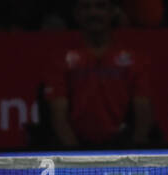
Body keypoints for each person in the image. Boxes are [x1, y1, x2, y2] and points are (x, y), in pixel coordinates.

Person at [43, 0, 153, 148]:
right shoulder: (60, 59)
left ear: (112, 12)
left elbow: (143, 111)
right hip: (76, 146)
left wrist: (134, 152)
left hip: (122, 144)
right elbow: (59, 117)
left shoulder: (135, 59)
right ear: (76, 14)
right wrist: (76, 154)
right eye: (86, 7)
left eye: (100, 6)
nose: (93, 13)